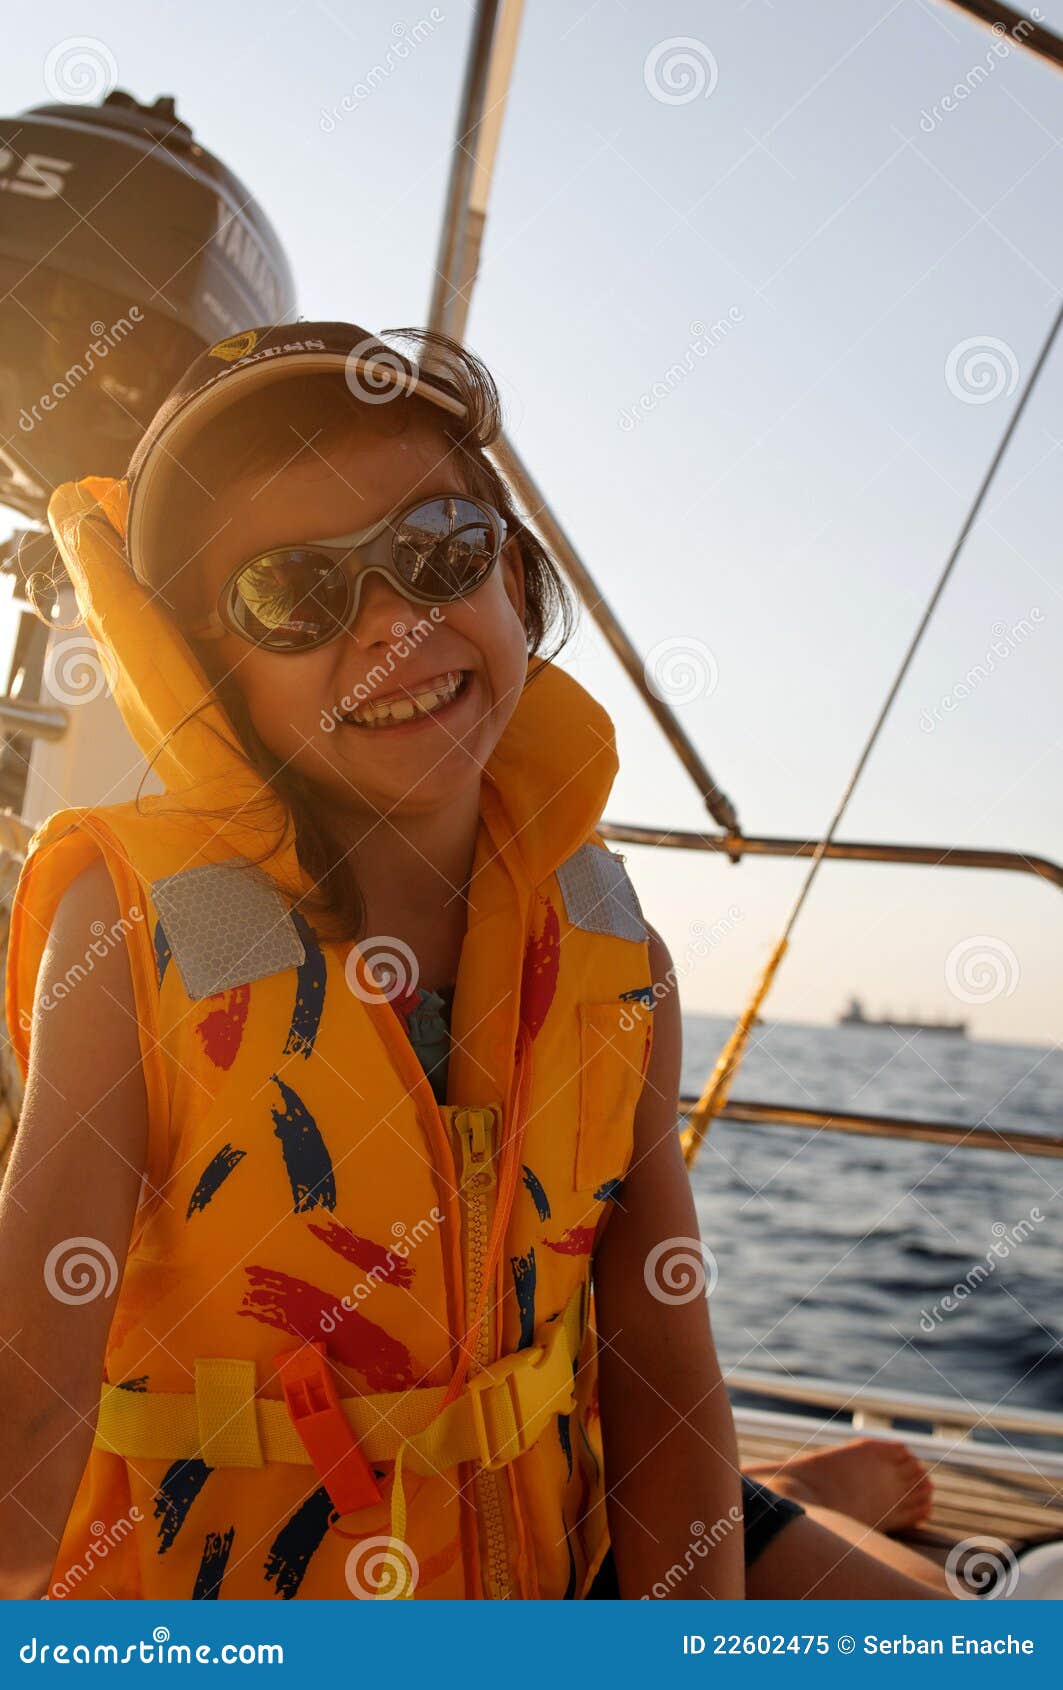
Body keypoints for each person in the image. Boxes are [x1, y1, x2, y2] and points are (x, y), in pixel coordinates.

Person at [0, 322, 948, 1603]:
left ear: (510, 573)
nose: (395, 624)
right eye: (294, 594)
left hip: (553, 1536)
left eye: (435, 551)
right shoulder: (135, 949)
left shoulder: (620, 963)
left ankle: (804, 1496)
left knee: (935, 1625)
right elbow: (27, 1410)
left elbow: (663, 1378)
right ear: (207, 669)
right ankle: (818, 1493)